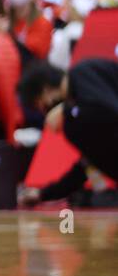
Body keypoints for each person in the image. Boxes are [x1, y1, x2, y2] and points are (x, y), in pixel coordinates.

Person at [19, 59, 118, 205]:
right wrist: (43, 194)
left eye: (41, 104)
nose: (46, 111)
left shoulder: (82, 74)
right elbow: (88, 163)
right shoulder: (73, 125)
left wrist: (65, 110)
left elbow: (110, 111)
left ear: (46, 90)